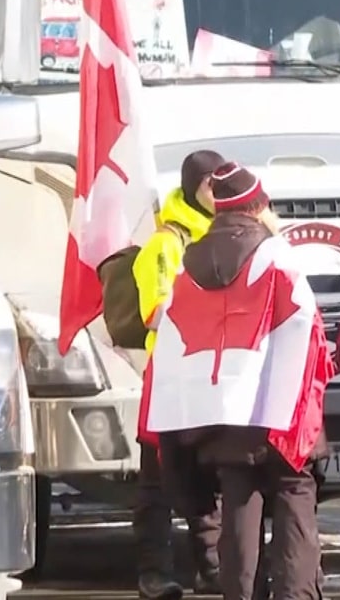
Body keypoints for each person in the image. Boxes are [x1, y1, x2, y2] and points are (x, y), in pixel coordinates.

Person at [154, 162, 331, 600]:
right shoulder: (277, 255)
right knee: (294, 496)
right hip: (279, 407)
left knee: (238, 503)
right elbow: (311, 331)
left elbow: (173, 334)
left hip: (224, 409)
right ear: (257, 206)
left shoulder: (190, 261)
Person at [132, 149, 226, 599]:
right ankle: (154, 572)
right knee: (158, 480)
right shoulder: (166, 243)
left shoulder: (225, 235)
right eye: (212, 184)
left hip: (208, 374)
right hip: (169, 377)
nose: (220, 192)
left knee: (207, 475)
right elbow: (154, 313)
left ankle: (210, 567)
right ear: (194, 186)